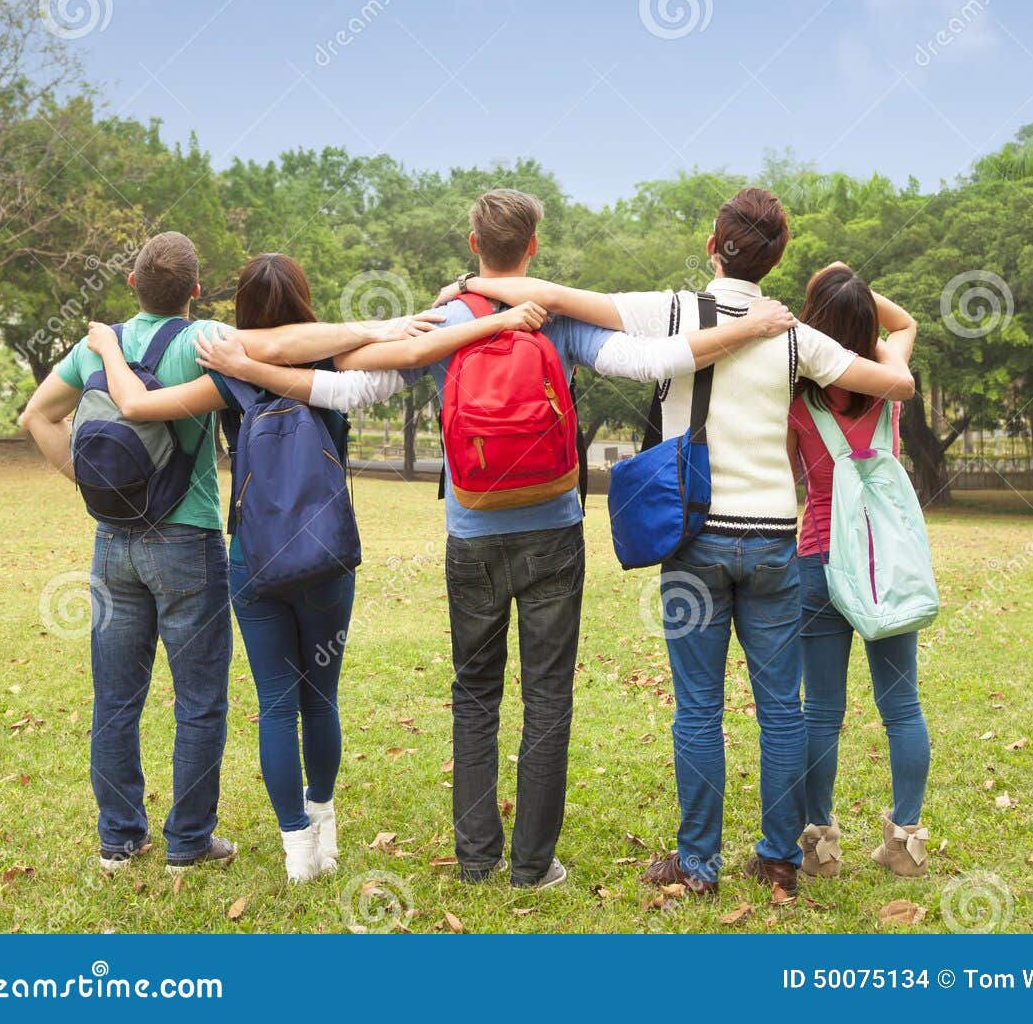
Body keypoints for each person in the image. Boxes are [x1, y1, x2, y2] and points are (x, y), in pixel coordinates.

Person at [444, 188, 917, 897]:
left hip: (693, 539)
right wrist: (872, 310)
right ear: (778, 256)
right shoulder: (793, 333)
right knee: (780, 707)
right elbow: (896, 384)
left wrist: (472, 284)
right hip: (772, 546)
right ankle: (779, 860)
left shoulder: (671, 310)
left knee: (698, 707)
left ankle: (697, 864)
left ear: (711, 245)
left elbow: (558, 295)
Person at [374, 188, 796, 891]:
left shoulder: (445, 316)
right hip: (551, 530)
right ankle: (533, 865)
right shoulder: (557, 319)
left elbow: (364, 378)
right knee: (546, 695)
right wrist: (745, 330)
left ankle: (477, 858)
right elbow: (652, 361)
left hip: (471, 531)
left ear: (474, 244)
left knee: (475, 692)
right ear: (533, 247)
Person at [85, 250, 546, 883]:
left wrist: (109, 346)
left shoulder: (222, 366)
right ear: (305, 302)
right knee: (318, 698)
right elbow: (416, 355)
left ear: (243, 309)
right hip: (326, 553)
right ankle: (322, 820)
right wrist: (493, 318)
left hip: (254, 556)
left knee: (276, 703)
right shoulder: (333, 358)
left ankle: (298, 849)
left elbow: (136, 406)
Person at [20, 232, 237, 875]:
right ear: (196, 290)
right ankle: (189, 843)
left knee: (115, 698)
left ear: (131, 286)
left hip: (112, 542)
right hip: (188, 538)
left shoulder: (96, 346)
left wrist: (92, 485)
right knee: (199, 700)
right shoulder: (209, 341)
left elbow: (37, 416)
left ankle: (119, 838)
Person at [788, 262, 929, 880]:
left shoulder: (797, 393)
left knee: (821, 710)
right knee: (901, 706)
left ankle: (819, 846)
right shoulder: (891, 378)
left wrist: (830, 299)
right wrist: (855, 296)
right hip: (885, 565)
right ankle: (906, 842)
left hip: (819, 559)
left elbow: (793, 476)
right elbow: (908, 322)